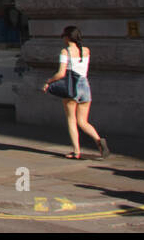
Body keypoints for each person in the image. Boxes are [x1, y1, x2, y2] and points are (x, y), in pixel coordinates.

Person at [42, 25, 109, 160]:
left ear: (67, 38)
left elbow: (61, 73)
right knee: (83, 121)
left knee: (71, 120)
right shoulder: (86, 50)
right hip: (85, 86)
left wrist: (49, 82)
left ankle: (76, 151)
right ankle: (98, 140)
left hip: (72, 87)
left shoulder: (65, 52)